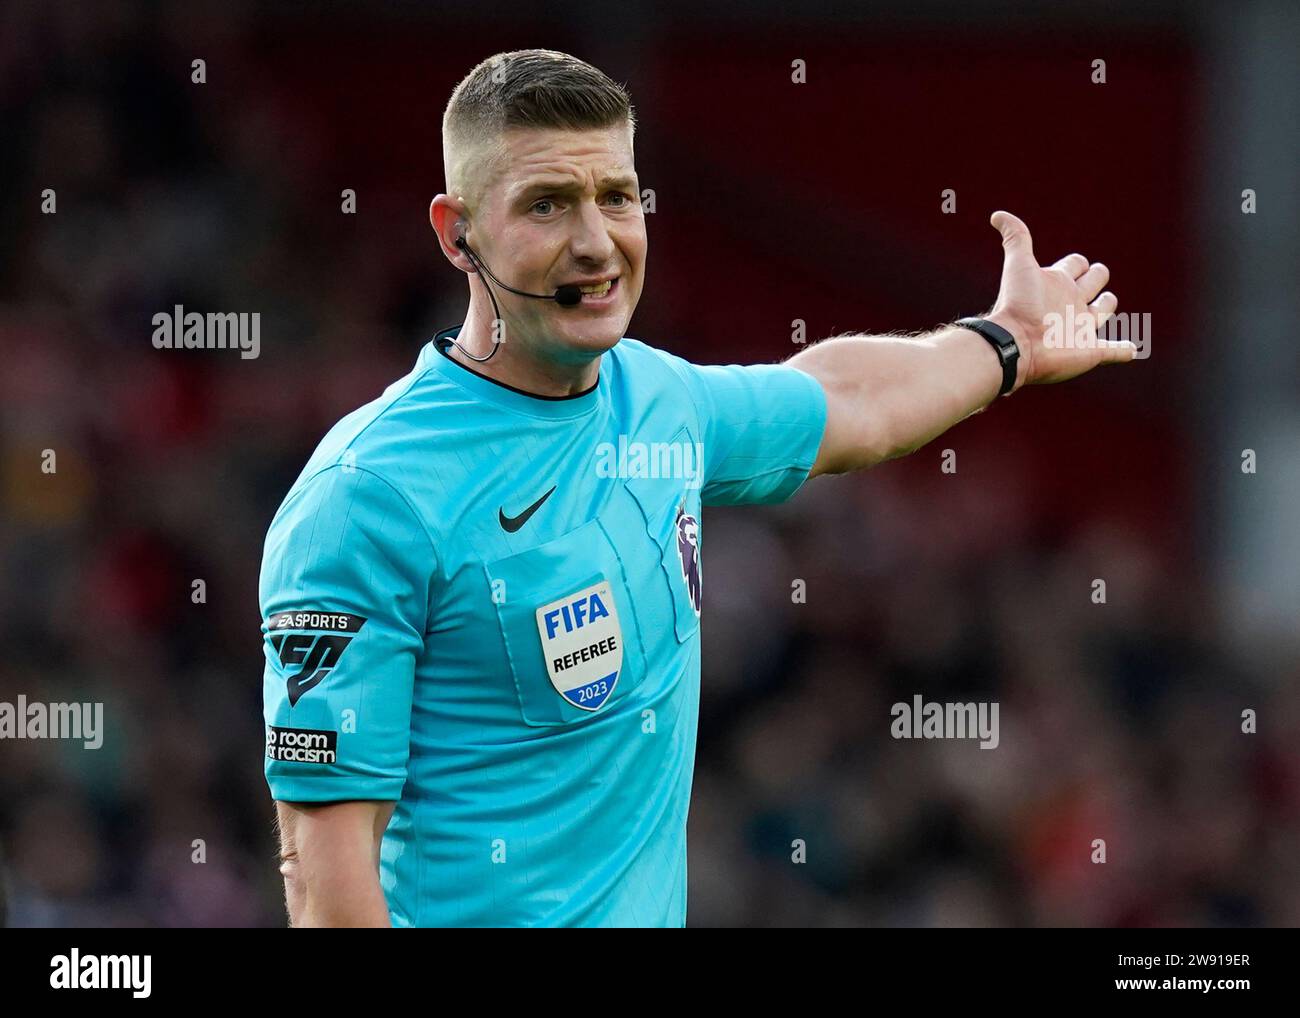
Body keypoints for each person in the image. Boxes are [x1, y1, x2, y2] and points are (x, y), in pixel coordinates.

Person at [261, 48, 1134, 927]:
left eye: (615, 196)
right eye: (547, 205)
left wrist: (1004, 343)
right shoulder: (366, 500)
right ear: (458, 234)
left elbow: (843, 397)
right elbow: (326, 884)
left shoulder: (658, 403)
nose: (597, 241)